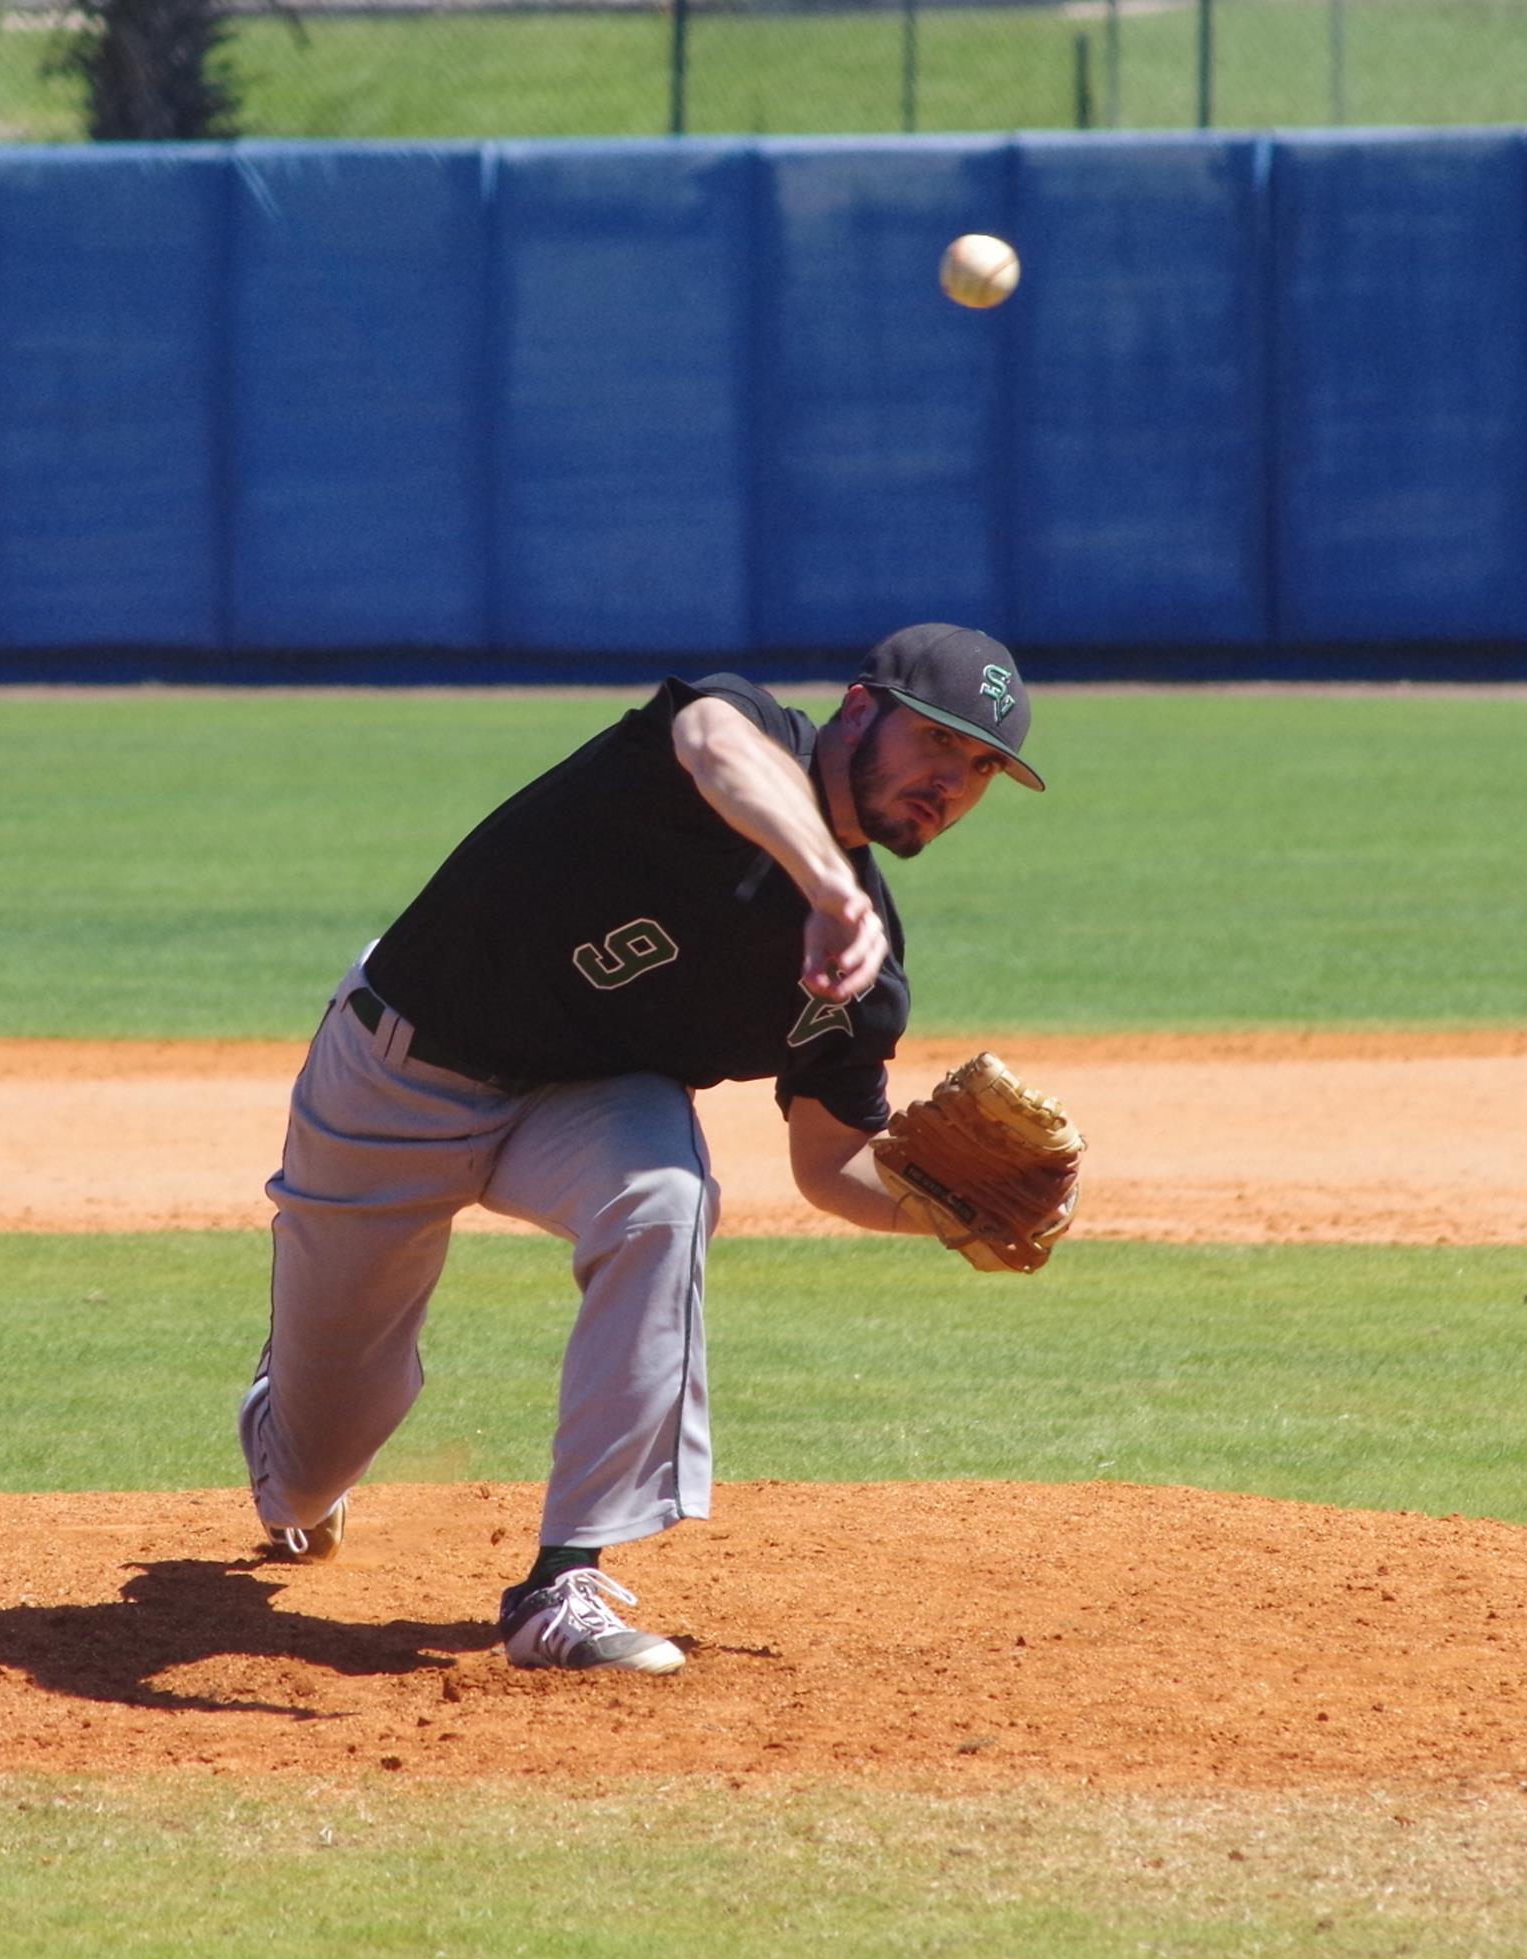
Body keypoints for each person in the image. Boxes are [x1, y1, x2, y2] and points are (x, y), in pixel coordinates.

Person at [237, 623, 1049, 1674]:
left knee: (668, 1196)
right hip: (402, 1072)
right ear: (859, 709)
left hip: (586, 1105)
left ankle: (561, 1581)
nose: (954, 779)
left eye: (982, 766)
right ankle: (285, 1417)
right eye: (938, 740)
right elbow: (716, 746)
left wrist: (946, 1207)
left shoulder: (863, 967)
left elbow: (829, 1161)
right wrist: (826, 881)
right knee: (307, 1475)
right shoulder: (738, 735)